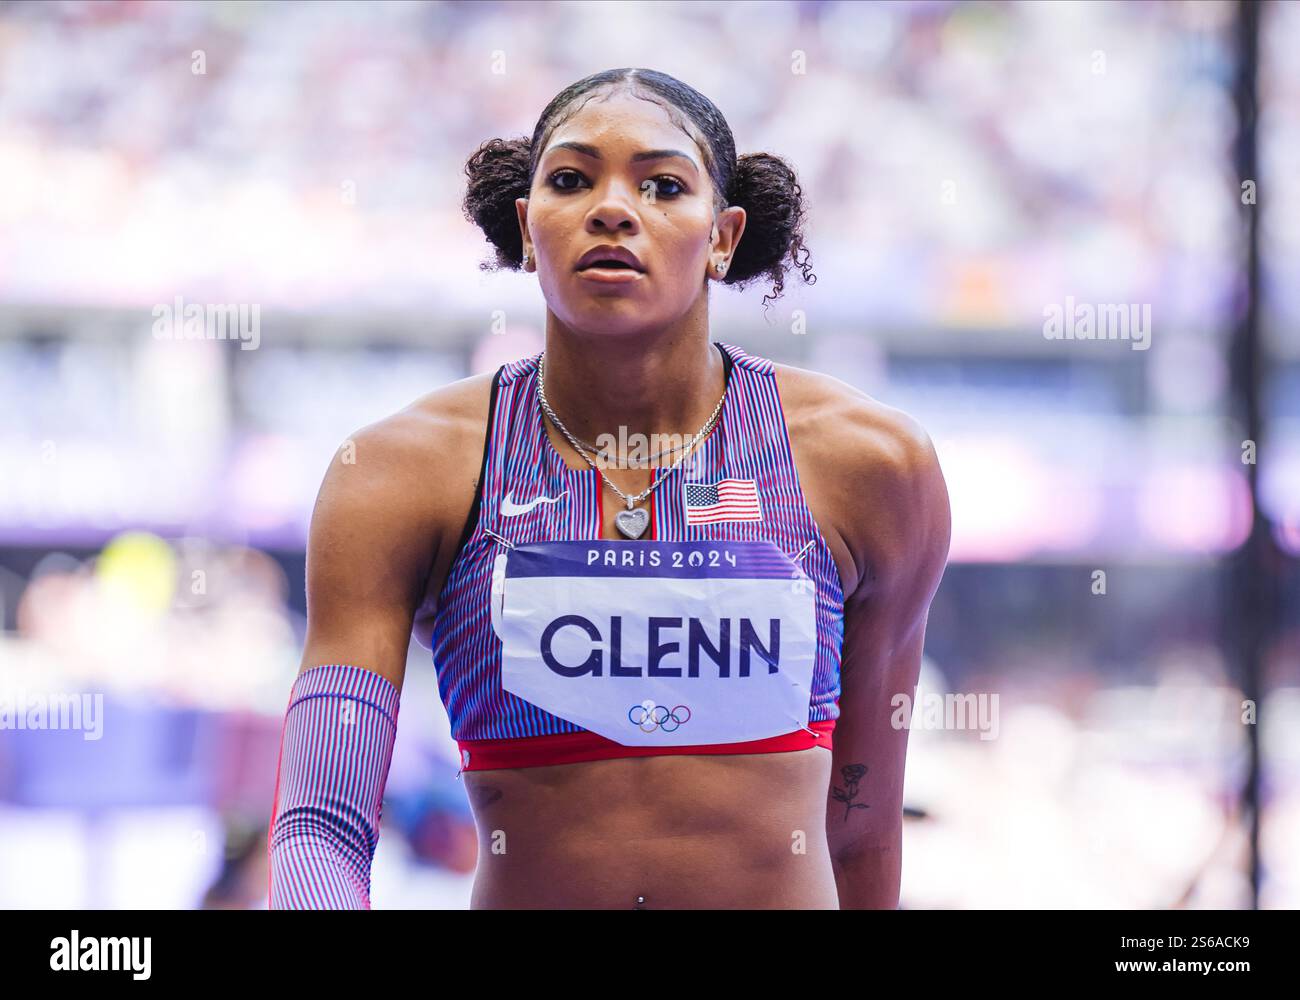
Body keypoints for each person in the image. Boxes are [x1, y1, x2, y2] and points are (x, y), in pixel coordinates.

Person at [268, 67, 950, 909]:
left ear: (724, 235)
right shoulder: (400, 473)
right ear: (526, 227)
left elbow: (861, 829)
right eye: (569, 179)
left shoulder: (870, 466)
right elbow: (319, 829)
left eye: (663, 185)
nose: (612, 209)